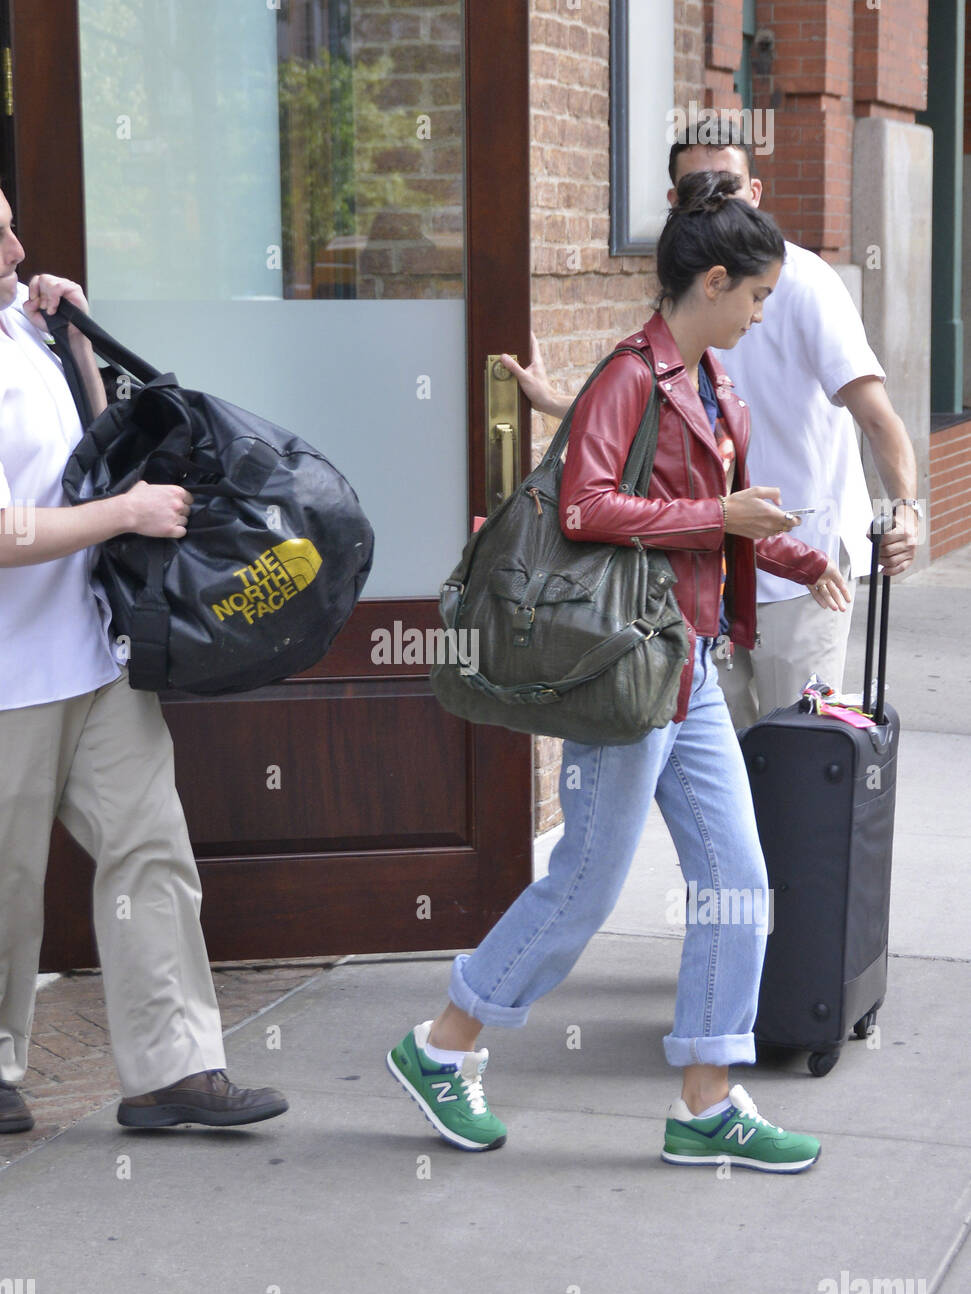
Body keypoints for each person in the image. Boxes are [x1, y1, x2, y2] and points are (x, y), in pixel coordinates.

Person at [387, 169, 851, 1171]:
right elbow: (582, 510)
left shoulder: (709, 381)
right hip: (624, 671)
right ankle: (444, 1045)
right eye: (758, 296)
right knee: (586, 883)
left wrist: (791, 554)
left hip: (680, 667)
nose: (764, 314)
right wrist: (720, 520)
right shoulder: (629, 378)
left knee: (737, 881)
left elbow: (711, 524)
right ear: (715, 281)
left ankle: (706, 1101)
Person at [0, 146, 287, 1135]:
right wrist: (129, 516)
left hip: (86, 644)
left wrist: (75, 345)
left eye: (9, 225)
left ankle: (174, 1070)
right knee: (4, 877)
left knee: (150, 847)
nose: (14, 248)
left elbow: (90, 460)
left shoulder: (14, 325)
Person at [503, 121, 920, 726]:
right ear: (677, 210)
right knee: (724, 768)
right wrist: (566, 404)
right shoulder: (683, 316)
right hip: (691, 583)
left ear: (755, 191)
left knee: (793, 759)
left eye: (729, 188)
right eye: (701, 193)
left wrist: (903, 510)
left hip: (790, 563)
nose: (759, 314)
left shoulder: (796, 291)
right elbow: (646, 410)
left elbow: (877, 419)